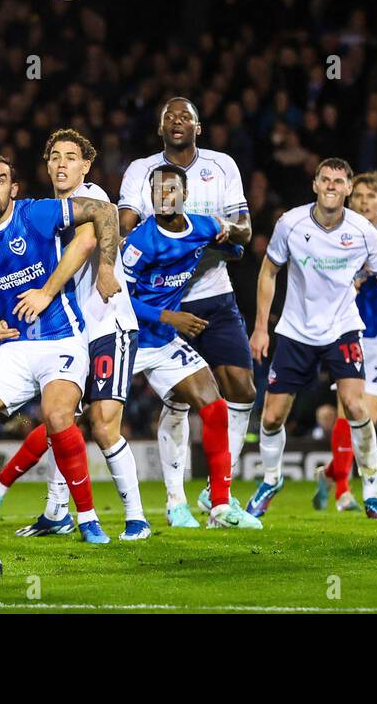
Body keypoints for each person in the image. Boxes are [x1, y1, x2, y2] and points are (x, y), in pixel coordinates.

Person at [0, 129, 150, 541]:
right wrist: (0, 321)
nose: (63, 164)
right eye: (55, 157)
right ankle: (4, 511)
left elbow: (96, 227)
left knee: (82, 420)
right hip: (28, 339)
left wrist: (77, 280)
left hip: (86, 329)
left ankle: (112, 518)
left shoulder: (62, 205)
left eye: (71, 157)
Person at [248, 158, 377, 520]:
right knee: (271, 417)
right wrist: (261, 327)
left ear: (347, 189)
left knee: (356, 407)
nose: (331, 186)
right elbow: (269, 272)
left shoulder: (363, 231)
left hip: (343, 328)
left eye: (338, 181)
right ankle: (271, 480)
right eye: (325, 179)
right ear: (315, 184)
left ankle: (372, 493)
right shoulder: (290, 224)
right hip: (296, 331)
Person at [119, 98, 256, 520]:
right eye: (168, 117)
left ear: (200, 126)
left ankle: (220, 491)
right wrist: (166, 245)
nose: (177, 122)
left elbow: (243, 233)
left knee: (242, 389)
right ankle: (176, 499)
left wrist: (218, 236)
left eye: (185, 116)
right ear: (159, 128)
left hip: (214, 295)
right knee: (175, 402)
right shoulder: (142, 171)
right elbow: (127, 228)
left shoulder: (222, 166)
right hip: (159, 303)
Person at [312, 171, 377, 513]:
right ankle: (344, 492)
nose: (365, 202)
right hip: (346, 332)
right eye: (359, 197)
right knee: (347, 413)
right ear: (350, 201)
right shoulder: (342, 232)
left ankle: (329, 473)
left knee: (366, 420)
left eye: (372, 196)